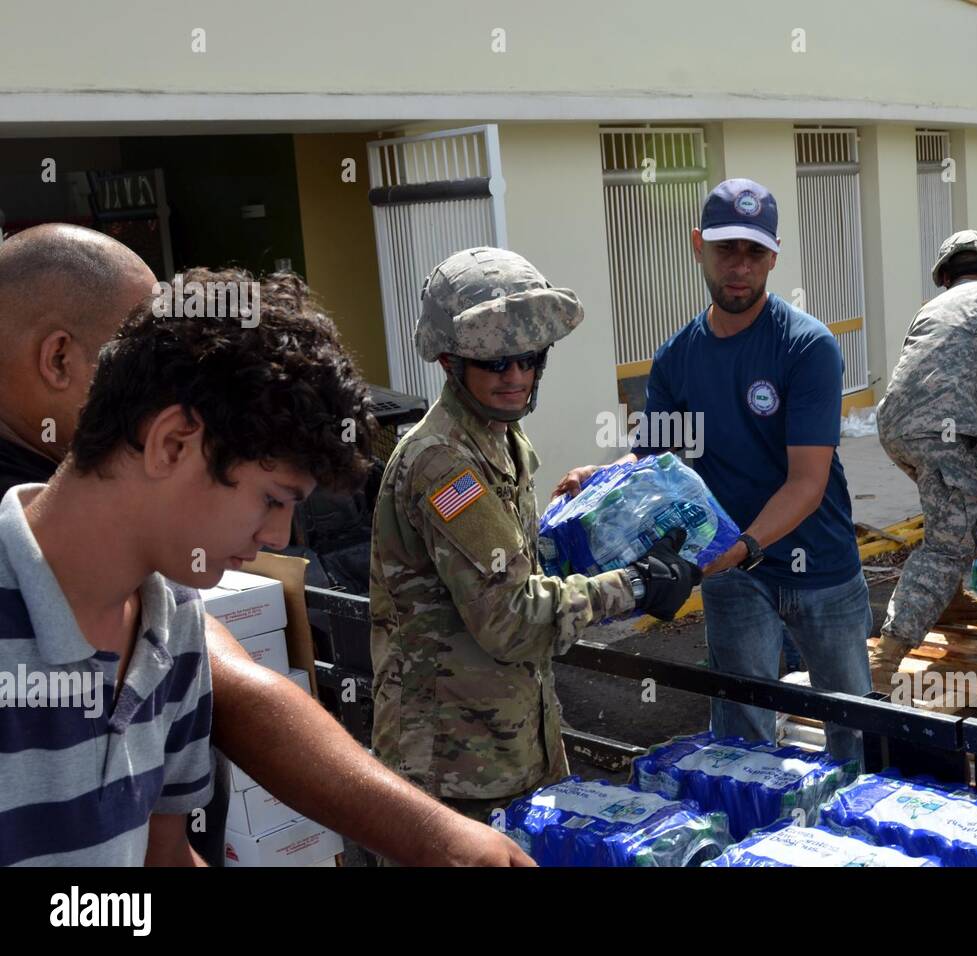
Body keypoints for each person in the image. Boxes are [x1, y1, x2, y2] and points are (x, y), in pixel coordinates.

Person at [0, 225, 531, 866]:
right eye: (273, 500)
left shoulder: (172, 623)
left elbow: (161, 856)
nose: (277, 540)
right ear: (172, 443)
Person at [370, 246, 697, 827]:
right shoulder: (444, 463)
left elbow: (510, 566)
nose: (516, 376)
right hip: (454, 771)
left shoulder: (499, 437)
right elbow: (512, 619)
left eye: (529, 358)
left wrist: (590, 526)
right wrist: (632, 586)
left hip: (513, 744)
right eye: (496, 364)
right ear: (451, 362)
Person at [559, 179, 871, 766]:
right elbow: (655, 458)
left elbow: (807, 481)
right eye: (727, 248)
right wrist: (598, 480)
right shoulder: (679, 358)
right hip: (732, 572)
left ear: (774, 256)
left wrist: (744, 546)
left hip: (818, 565)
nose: (740, 267)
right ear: (698, 246)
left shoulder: (807, 348)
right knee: (740, 730)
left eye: (754, 252)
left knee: (850, 721)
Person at [871, 230, 977, 686]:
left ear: (945, 276)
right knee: (948, 543)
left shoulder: (930, 309)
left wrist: (967, 442)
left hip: (896, 428)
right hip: (938, 432)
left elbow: (926, 378)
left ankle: (952, 600)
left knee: (954, 512)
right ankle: (887, 656)